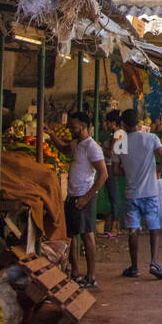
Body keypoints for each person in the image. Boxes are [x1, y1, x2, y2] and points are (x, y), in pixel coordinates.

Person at [55, 111, 108, 289]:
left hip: (84, 195)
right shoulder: (77, 143)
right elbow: (64, 149)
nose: (70, 129)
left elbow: (103, 174)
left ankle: (91, 277)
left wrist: (87, 197)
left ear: (84, 127)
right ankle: (76, 272)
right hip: (72, 195)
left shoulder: (92, 147)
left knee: (87, 235)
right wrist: (51, 134)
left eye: (73, 126)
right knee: (72, 235)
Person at [119, 109, 162, 280]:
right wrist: (157, 171)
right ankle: (154, 262)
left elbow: (115, 170)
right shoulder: (151, 138)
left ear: (123, 124)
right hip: (150, 192)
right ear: (138, 122)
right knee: (154, 227)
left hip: (132, 194)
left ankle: (134, 267)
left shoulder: (121, 142)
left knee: (133, 230)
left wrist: (129, 171)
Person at [102, 109, 127, 234]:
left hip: (111, 166)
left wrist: (99, 148)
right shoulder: (119, 133)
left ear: (112, 122)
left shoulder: (117, 134)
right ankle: (115, 226)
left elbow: (111, 153)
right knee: (114, 195)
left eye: (107, 122)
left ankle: (115, 227)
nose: (105, 124)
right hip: (114, 166)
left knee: (114, 196)